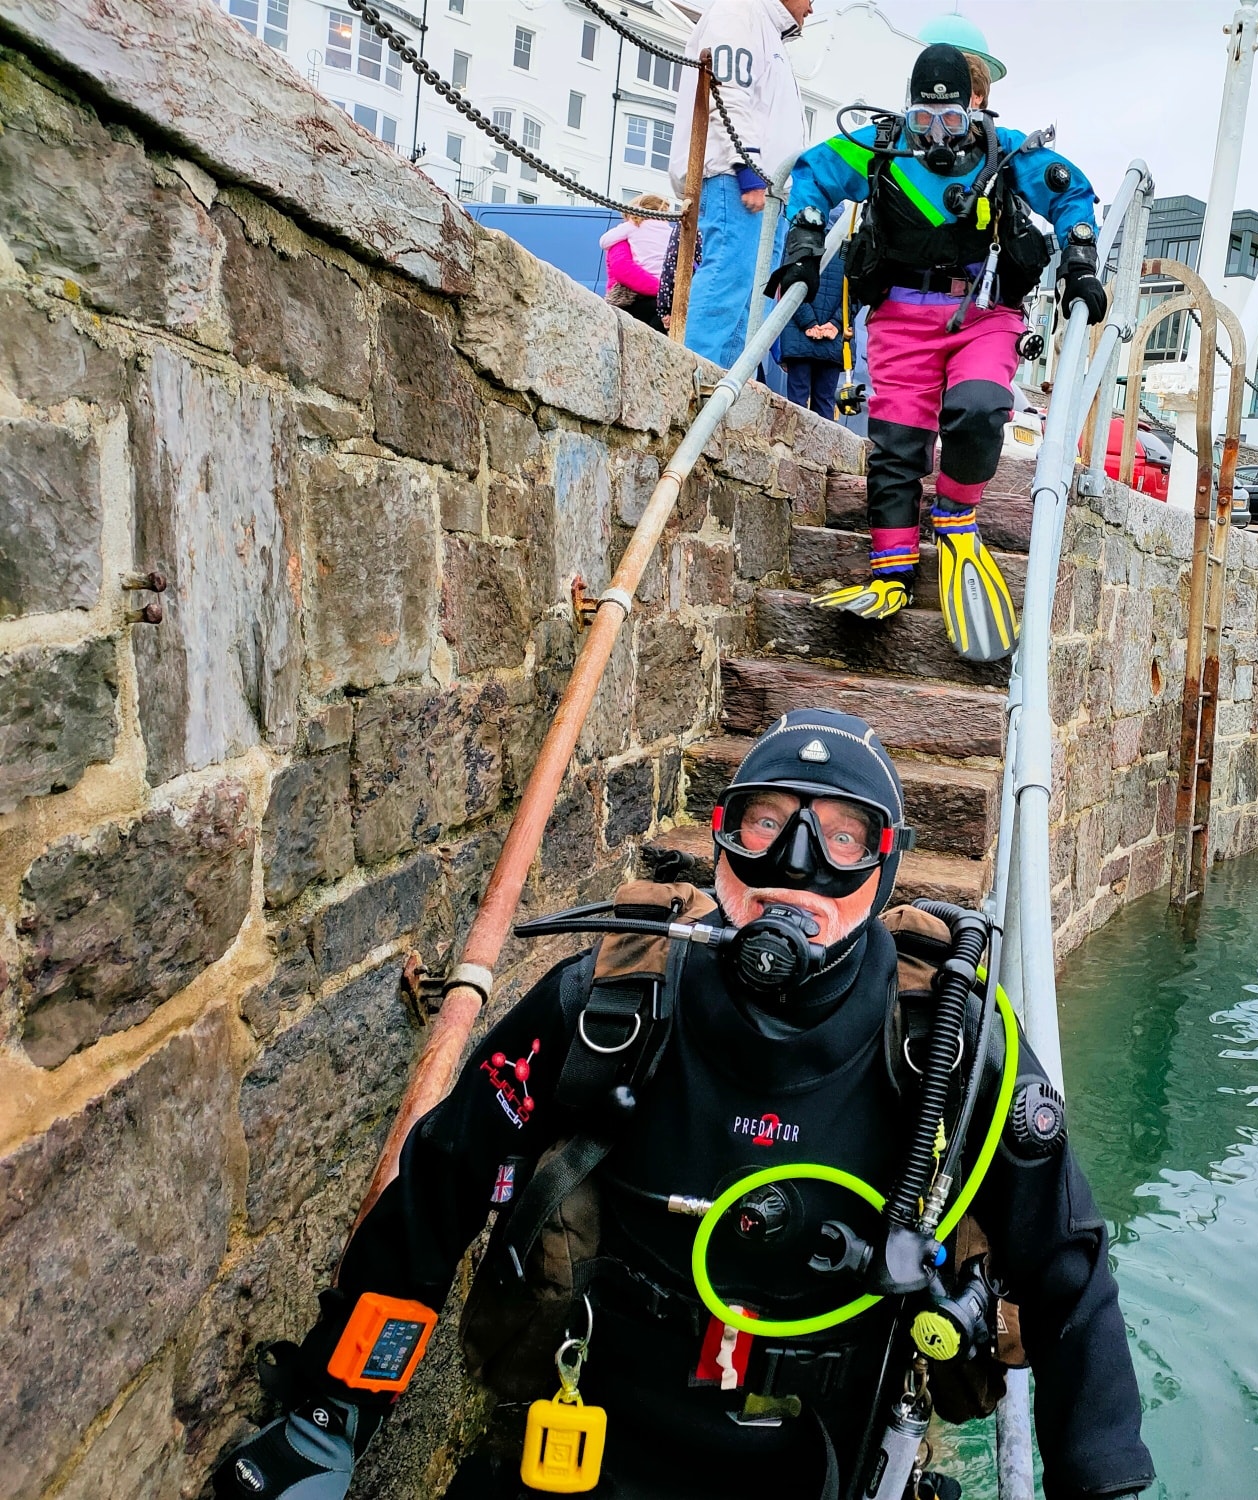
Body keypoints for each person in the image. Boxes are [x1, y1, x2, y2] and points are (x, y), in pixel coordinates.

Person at [213, 708, 1155, 1500]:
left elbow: (1069, 1272)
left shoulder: (946, 1043)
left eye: (841, 837)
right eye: (764, 824)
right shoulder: (608, 1005)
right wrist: (335, 1409)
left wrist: (1101, 1481)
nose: (795, 865)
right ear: (719, 834)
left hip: (821, 1455)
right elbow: (440, 1183)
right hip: (593, 1438)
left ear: (887, 862)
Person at [766, 45, 1107, 663]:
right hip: (900, 314)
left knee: (979, 408)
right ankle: (892, 569)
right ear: (909, 109)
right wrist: (805, 239)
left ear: (974, 111)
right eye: (925, 119)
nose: (937, 135)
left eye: (950, 122)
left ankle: (955, 514)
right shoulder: (880, 145)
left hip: (982, 311)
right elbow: (813, 172)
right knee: (895, 445)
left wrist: (1079, 260)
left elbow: (1070, 192)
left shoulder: (1004, 152)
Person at [672, 0, 811, 369]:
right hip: (738, 179)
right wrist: (747, 166)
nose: (811, 9)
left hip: (767, 186)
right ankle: (690, 374)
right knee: (728, 280)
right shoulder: (739, 12)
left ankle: (725, 391)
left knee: (753, 300)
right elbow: (729, 91)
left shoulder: (764, 28)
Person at [780, 249, 845, 418]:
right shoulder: (856, 235)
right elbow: (859, 291)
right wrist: (836, 323)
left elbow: (789, 281)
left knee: (796, 404)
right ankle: (820, 445)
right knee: (825, 405)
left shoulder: (802, 233)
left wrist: (808, 322)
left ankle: (792, 444)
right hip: (834, 338)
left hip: (799, 335)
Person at [600, 194, 676, 333]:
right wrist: (665, 292)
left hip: (651, 296)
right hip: (631, 299)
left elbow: (604, 241)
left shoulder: (628, 231)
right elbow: (625, 271)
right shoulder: (670, 233)